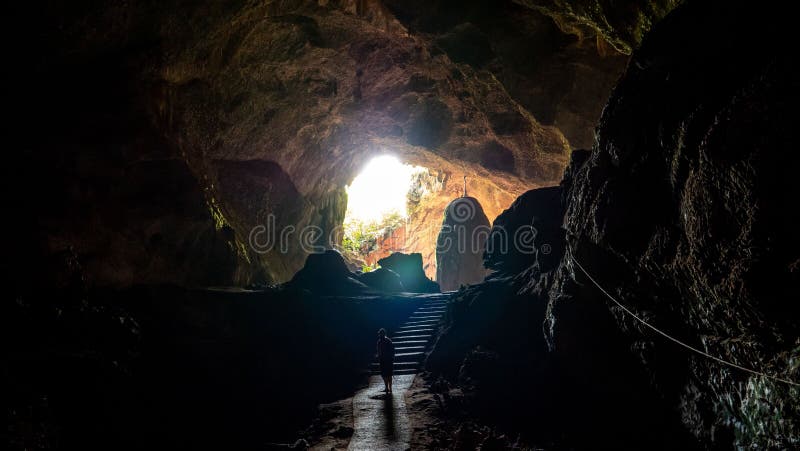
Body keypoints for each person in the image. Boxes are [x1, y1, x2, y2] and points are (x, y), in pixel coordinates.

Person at [376, 328, 395, 393]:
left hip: (387, 360)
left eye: (381, 334)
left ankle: (389, 388)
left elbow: (392, 350)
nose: (380, 335)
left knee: (388, 374)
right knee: (385, 374)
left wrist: (391, 358)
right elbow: (379, 351)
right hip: (384, 360)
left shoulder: (387, 341)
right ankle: (387, 388)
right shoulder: (380, 341)